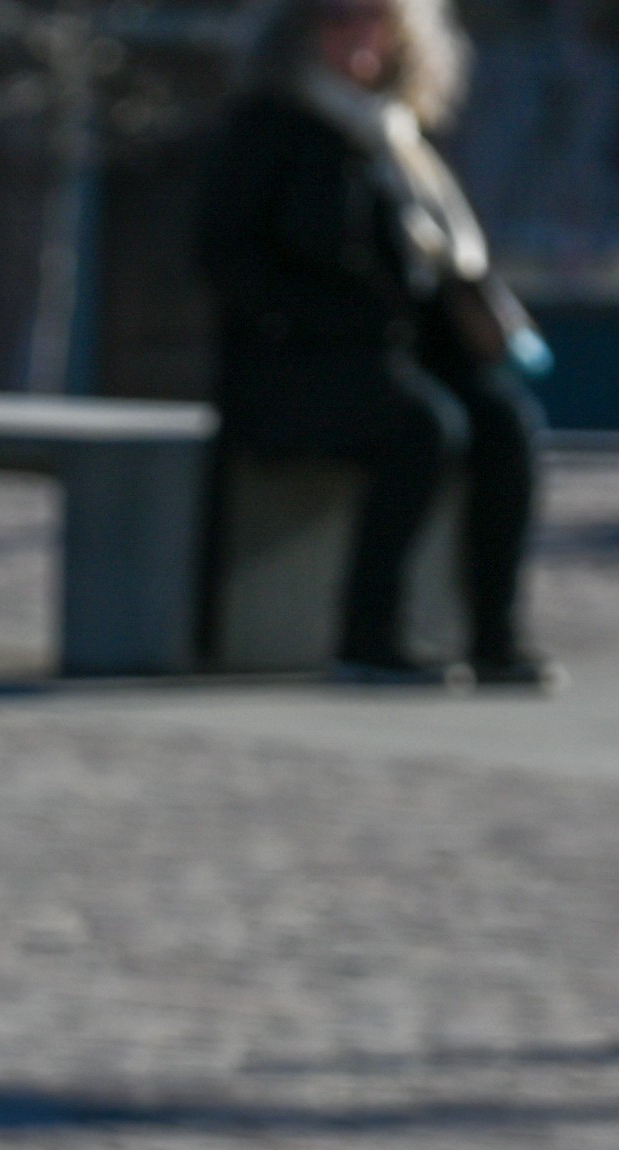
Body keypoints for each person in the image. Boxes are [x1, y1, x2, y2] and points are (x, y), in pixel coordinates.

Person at [200, 0, 557, 686]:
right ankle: (369, 638)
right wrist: (325, 319)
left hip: (386, 359)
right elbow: (223, 258)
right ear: (299, 31)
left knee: (505, 421)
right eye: (337, 17)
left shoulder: (394, 136)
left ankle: (494, 638)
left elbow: (427, 269)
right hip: (290, 370)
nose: (358, 34)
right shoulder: (272, 125)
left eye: (375, 18)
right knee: (422, 425)